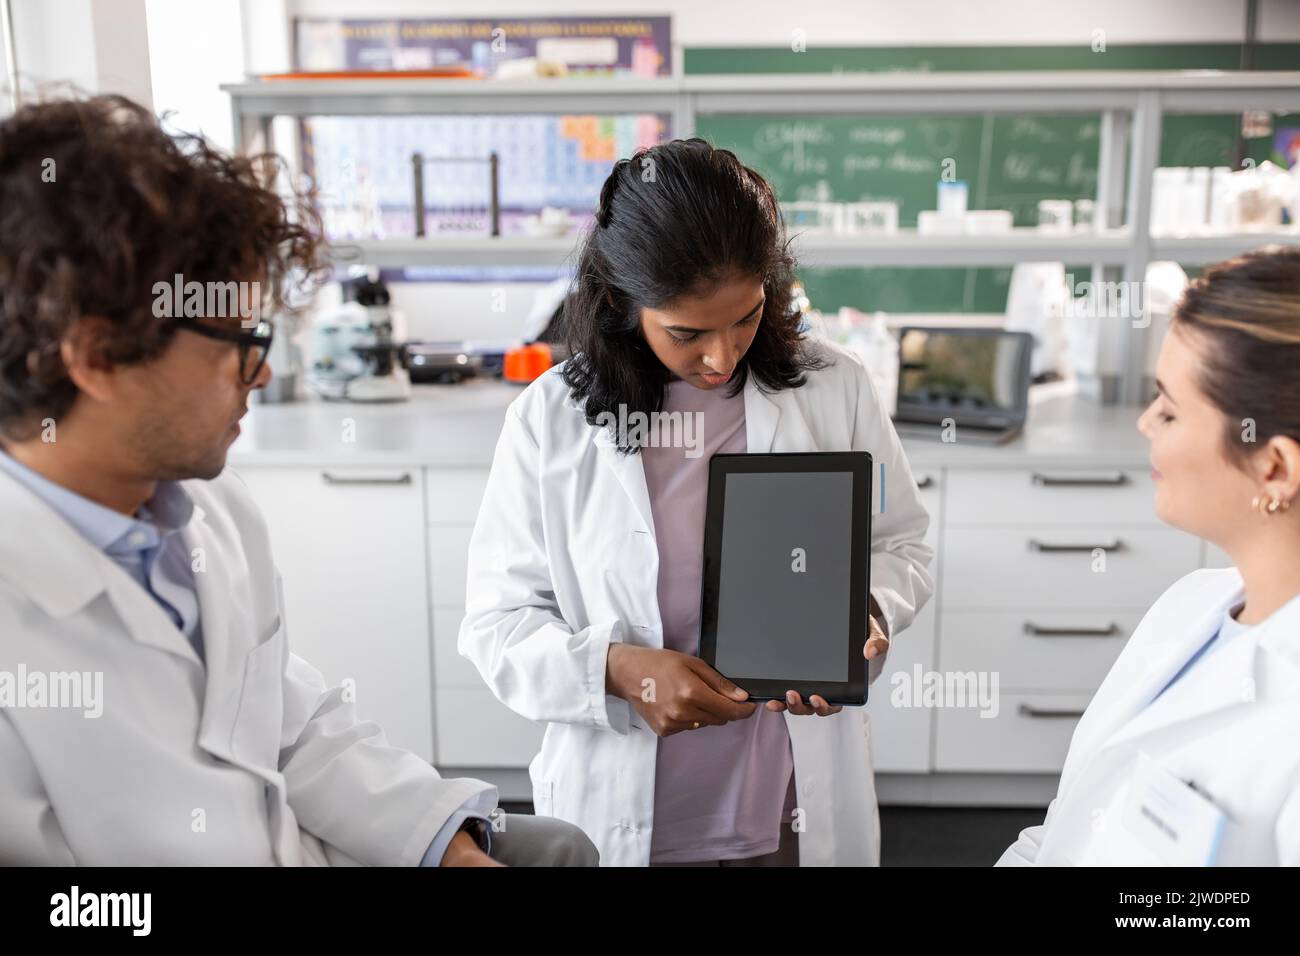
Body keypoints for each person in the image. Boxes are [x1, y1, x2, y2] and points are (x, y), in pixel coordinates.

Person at [0, 94, 597, 867]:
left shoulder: (205, 508)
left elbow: (292, 724)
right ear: (99, 355)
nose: (265, 370)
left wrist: (445, 847)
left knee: (559, 853)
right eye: (240, 340)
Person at [459, 138, 934, 867]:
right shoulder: (551, 419)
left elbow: (901, 544)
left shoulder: (832, 388)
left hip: (789, 807)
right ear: (621, 301)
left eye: (745, 318)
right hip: (627, 811)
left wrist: (856, 611)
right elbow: (496, 626)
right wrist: (621, 671)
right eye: (687, 332)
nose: (722, 357)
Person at [998, 246, 1300, 866]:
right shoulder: (1189, 607)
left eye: (1170, 407)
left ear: (1274, 468)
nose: (1143, 423)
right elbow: (1065, 831)